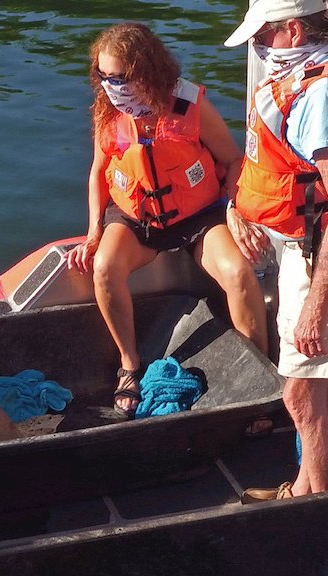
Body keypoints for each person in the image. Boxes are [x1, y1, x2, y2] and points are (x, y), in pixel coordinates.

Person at [221, 0, 328, 501]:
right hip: (312, 253)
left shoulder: (322, 96)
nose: (259, 48)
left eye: (263, 37)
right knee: (308, 393)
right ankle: (304, 492)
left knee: (301, 394)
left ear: (294, 31)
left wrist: (317, 306)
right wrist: (239, 210)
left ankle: (318, 512)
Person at [66, 22, 268, 419]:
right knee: (104, 267)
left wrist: (233, 209)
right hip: (136, 219)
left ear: (145, 71)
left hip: (198, 216)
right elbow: (98, 172)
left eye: (119, 77)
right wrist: (93, 232)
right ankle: (129, 364)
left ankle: (260, 378)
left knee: (239, 272)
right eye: (103, 76)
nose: (111, 86)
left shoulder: (189, 104)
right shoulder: (107, 111)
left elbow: (232, 159)